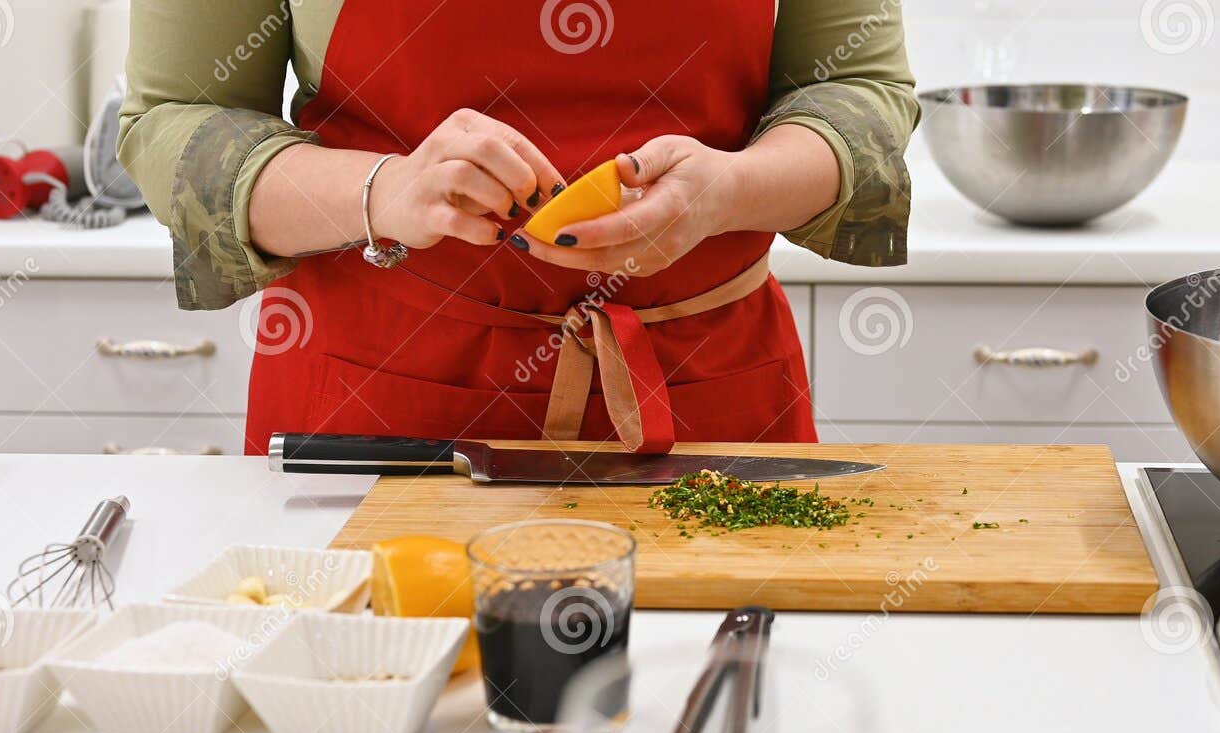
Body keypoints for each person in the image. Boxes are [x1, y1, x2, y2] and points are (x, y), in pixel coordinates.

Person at [120, 0, 918, 454]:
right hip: (379, 414)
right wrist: (386, 191)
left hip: (709, 407)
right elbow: (174, 117)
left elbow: (859, 88)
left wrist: (732, 189)